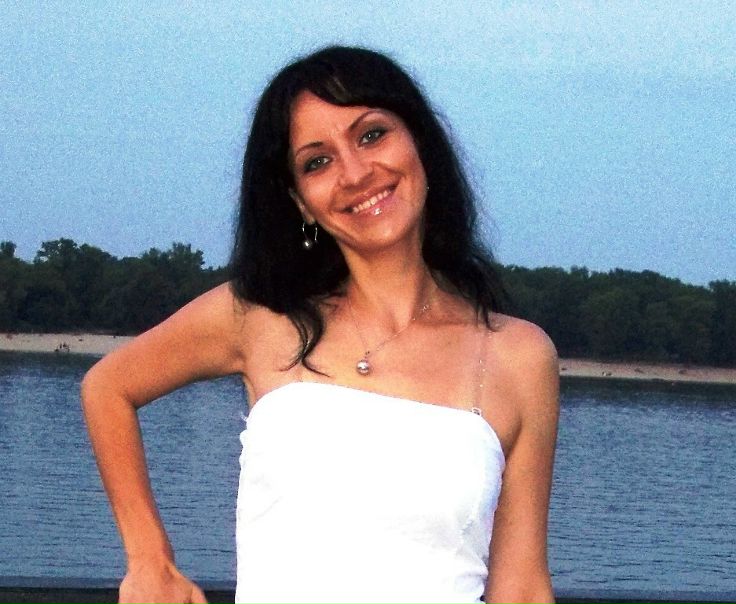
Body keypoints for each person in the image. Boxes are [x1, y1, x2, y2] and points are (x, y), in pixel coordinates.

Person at [82, 46, 559, 604]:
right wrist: (150, 560)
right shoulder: (259, 315)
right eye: (317, 162)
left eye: (371, 135)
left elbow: (522, 586)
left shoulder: (519, 356)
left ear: (420, 144)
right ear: (301, 202)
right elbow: (108, 387)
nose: (355, 173)